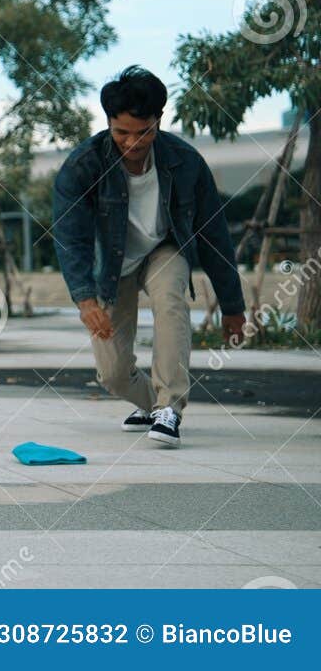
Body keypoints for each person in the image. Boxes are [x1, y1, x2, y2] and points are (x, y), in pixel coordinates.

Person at [52, 66, 246, 448]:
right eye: (121, 132)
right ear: (108, 122)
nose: (132, 142)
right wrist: (85, 299)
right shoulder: (82, 166)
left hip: (163, 248)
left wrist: (233, 306)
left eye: (143, 132)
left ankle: (169, 408)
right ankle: (150, 404)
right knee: (112, 374)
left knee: (171, 301)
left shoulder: (185, 162)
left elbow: (214, 237)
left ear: (158, 120)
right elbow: (70, 237)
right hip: (111, 265)